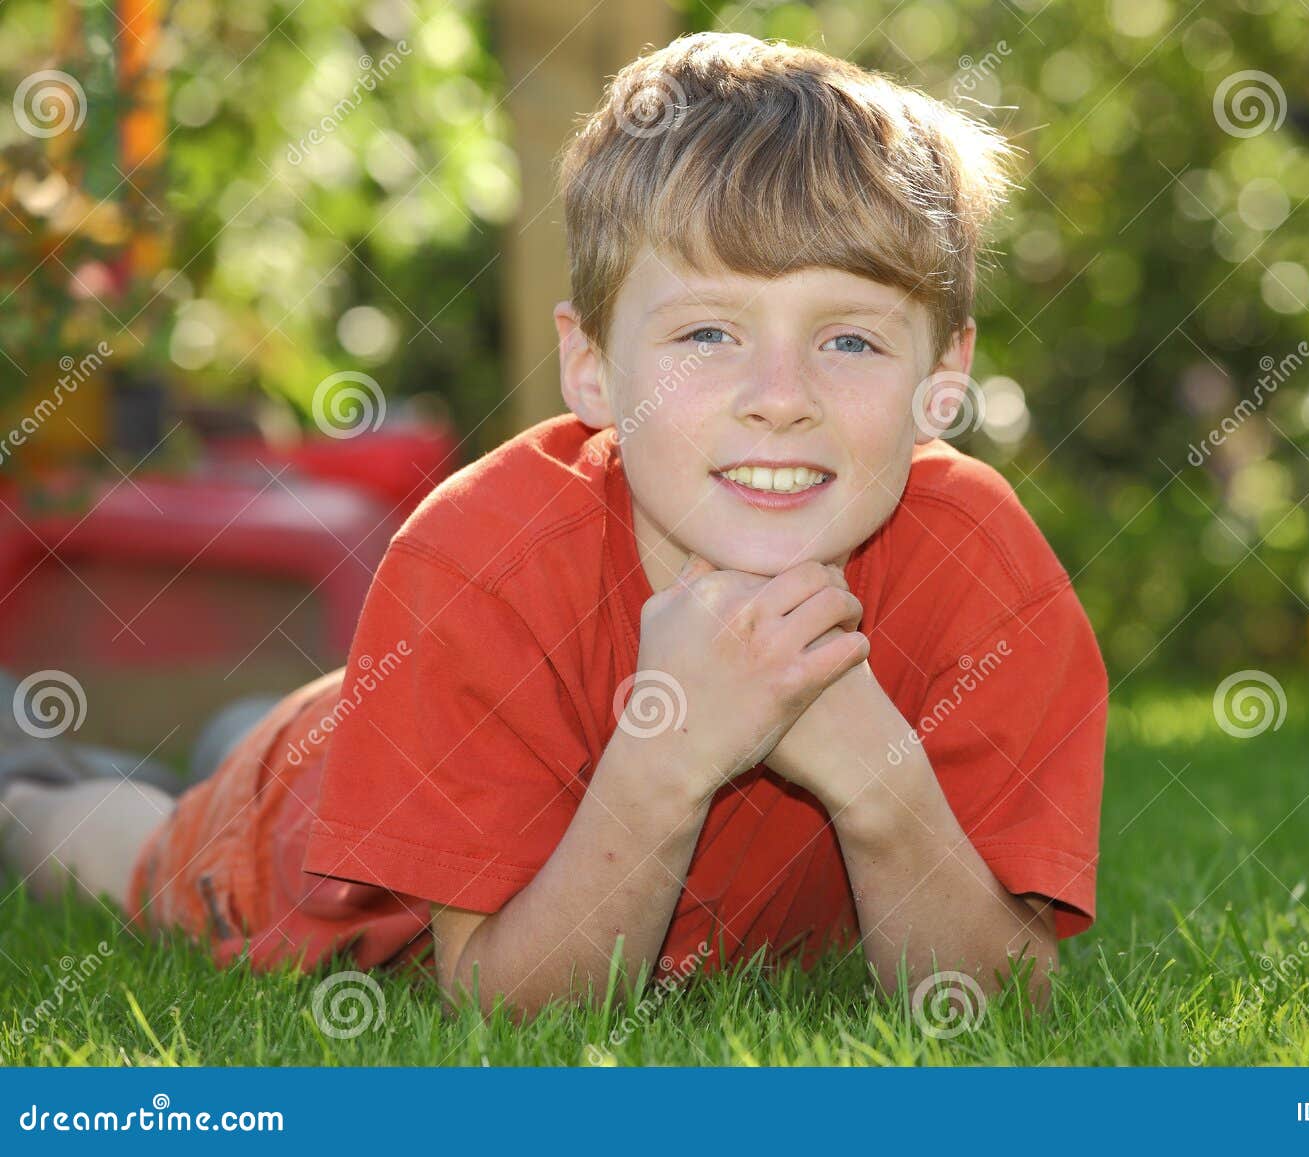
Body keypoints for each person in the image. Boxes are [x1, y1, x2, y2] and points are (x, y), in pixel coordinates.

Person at [0, 31, 1107, 1021]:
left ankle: (242, 722)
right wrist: (668, 758)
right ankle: (35, 788)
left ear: (942, 376)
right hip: (316, 807)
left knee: (265, 728)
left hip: (429, 716)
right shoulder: (477, 557)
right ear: (590, 366)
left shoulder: (984, 567)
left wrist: (877, 777)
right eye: (709, 334)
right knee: (122, 847)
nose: (781, 397)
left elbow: (1000, 1002)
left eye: (851, 341)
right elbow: (511, 1014)